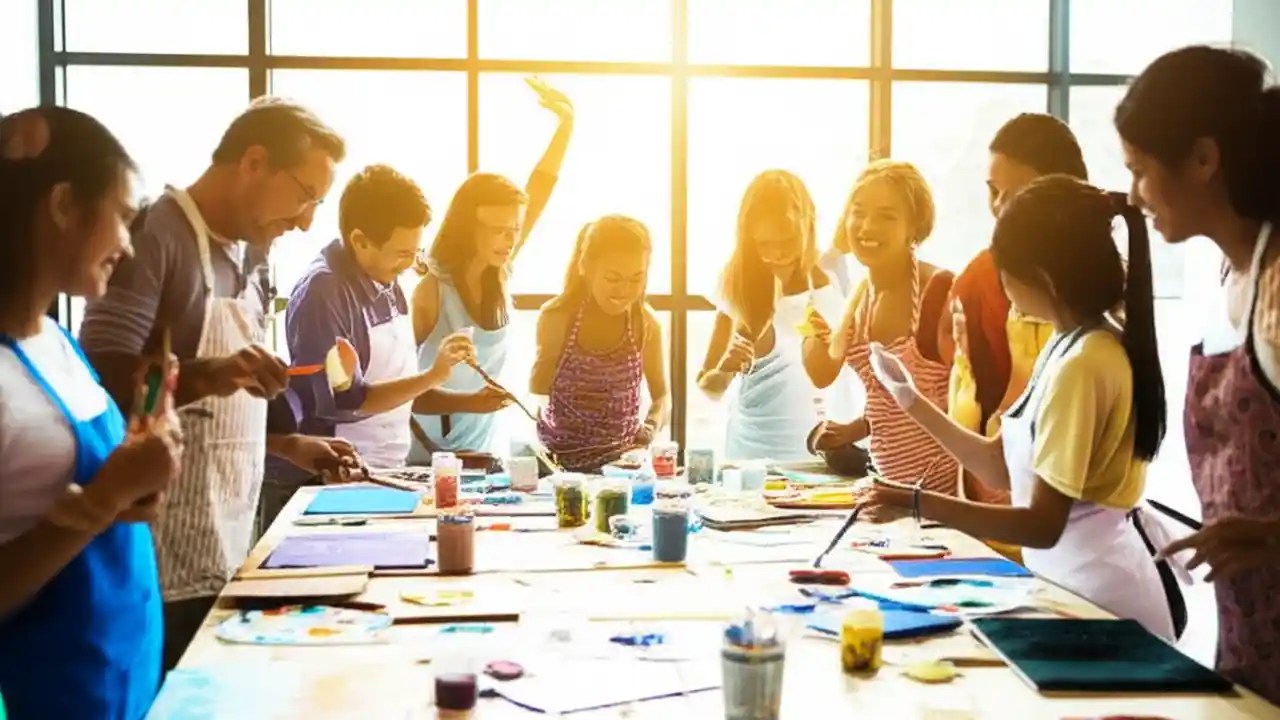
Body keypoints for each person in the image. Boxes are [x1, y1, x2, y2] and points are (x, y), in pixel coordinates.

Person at [78, 97, 359, 672]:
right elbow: (99, 381)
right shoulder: (157, 235)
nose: (307, 220)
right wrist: (210, 372)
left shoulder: (253, 254)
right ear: (254, 162)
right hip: (157, 564)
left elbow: (217, 415)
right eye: (305, 195)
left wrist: (286, 444)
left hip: (228, 542)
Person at [862, 175, 1175, 641]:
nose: (1001, 285)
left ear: (1043, 278)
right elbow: (1000, 467)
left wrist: (917, 503)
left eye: (1004, 272)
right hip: (1070, 585)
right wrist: (909, 399)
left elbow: (1042, 524)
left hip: (1102, 597)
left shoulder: (1087, 361)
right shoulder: (1068, 343)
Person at [0, 107, 182, 719]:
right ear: (62, 205)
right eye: (124, 217)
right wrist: (105, 500)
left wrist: (139, 468)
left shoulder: (55, 342)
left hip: (125, 680)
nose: (128, 245)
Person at [1115, 46, 1280, 700]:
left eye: (1140, 170)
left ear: (1204, 159)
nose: (1134, 195)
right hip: (1253, 642)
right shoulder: (1234, 274)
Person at [258, 165, 480, 529]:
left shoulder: (385, 276)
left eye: (415, 251)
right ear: (360, 240)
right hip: (330, 480)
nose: (409, 264)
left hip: (382, 469)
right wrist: (434, 374)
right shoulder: (323, 294)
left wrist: (461, 395)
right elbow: (344, 401)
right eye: (401, 252)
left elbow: (398, 387)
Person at [409, 77, 574, 459]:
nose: (510, 239)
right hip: (427, 456)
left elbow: (540, 187)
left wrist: (566, 125)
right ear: (468, 227)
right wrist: (471, 403)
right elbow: (399, 391)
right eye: (498, 229)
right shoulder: (431, 290)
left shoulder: (499, 271)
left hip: (482, 452)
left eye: (515, 229)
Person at [950, 114, 1088, 506]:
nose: (999, 208)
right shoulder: (978, 280)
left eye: (1016, 195)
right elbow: (969, 397)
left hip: (1068, 505)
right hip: (991, 491)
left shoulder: (1103, 290)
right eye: (993, 192)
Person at [802, 160, 956, 509]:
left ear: (914, 226)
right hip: (891, 492)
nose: (867, 226)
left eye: (887, 216)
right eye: (858, 212)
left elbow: (969, 402)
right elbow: (823, 373)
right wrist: (856, 429)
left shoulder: (939, 290)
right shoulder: (859, 298)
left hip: (946, 499)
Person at [697, 170, 851, 461]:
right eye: (764, 244)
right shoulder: (738, 283)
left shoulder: (830, 275)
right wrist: (725, 368)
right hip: (752, 453)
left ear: (808, 223)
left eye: (788, 239)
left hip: (823, 450)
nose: (778, 253)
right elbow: (709, 388)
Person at [532, 215, 669, 472]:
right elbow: (537, 392)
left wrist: (650, 426)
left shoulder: (646, 323)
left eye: (636, 279)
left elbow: (662, 396)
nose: (624, 290)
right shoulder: (557, 317)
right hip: (559, 466)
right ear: (585, 267)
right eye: (613, 279)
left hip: (621, 465)